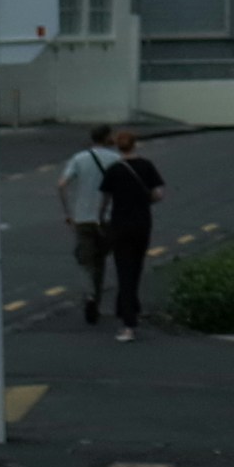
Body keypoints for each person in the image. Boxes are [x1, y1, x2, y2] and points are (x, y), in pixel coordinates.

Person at [96, 126, 165, 340]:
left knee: (123, 270)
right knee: (136, 266)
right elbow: (158, 194)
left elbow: (105, 199)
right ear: (135, 144)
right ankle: (130, 307)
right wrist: (145, 199)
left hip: (120, 224)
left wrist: (100, 218)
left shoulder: (114, 170)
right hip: (142, 223)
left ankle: (128, 323)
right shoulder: (146, 166)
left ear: (117, 147)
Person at [53, 131, 114, 312]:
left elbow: (62, 184)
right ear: (107, 139)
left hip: (82, 216)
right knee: (100, 259)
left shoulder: (79, 158)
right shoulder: (115, 159)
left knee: (85, 260)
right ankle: (97, 298)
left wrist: (67, 212)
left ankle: (89, 294)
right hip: (107, 217)